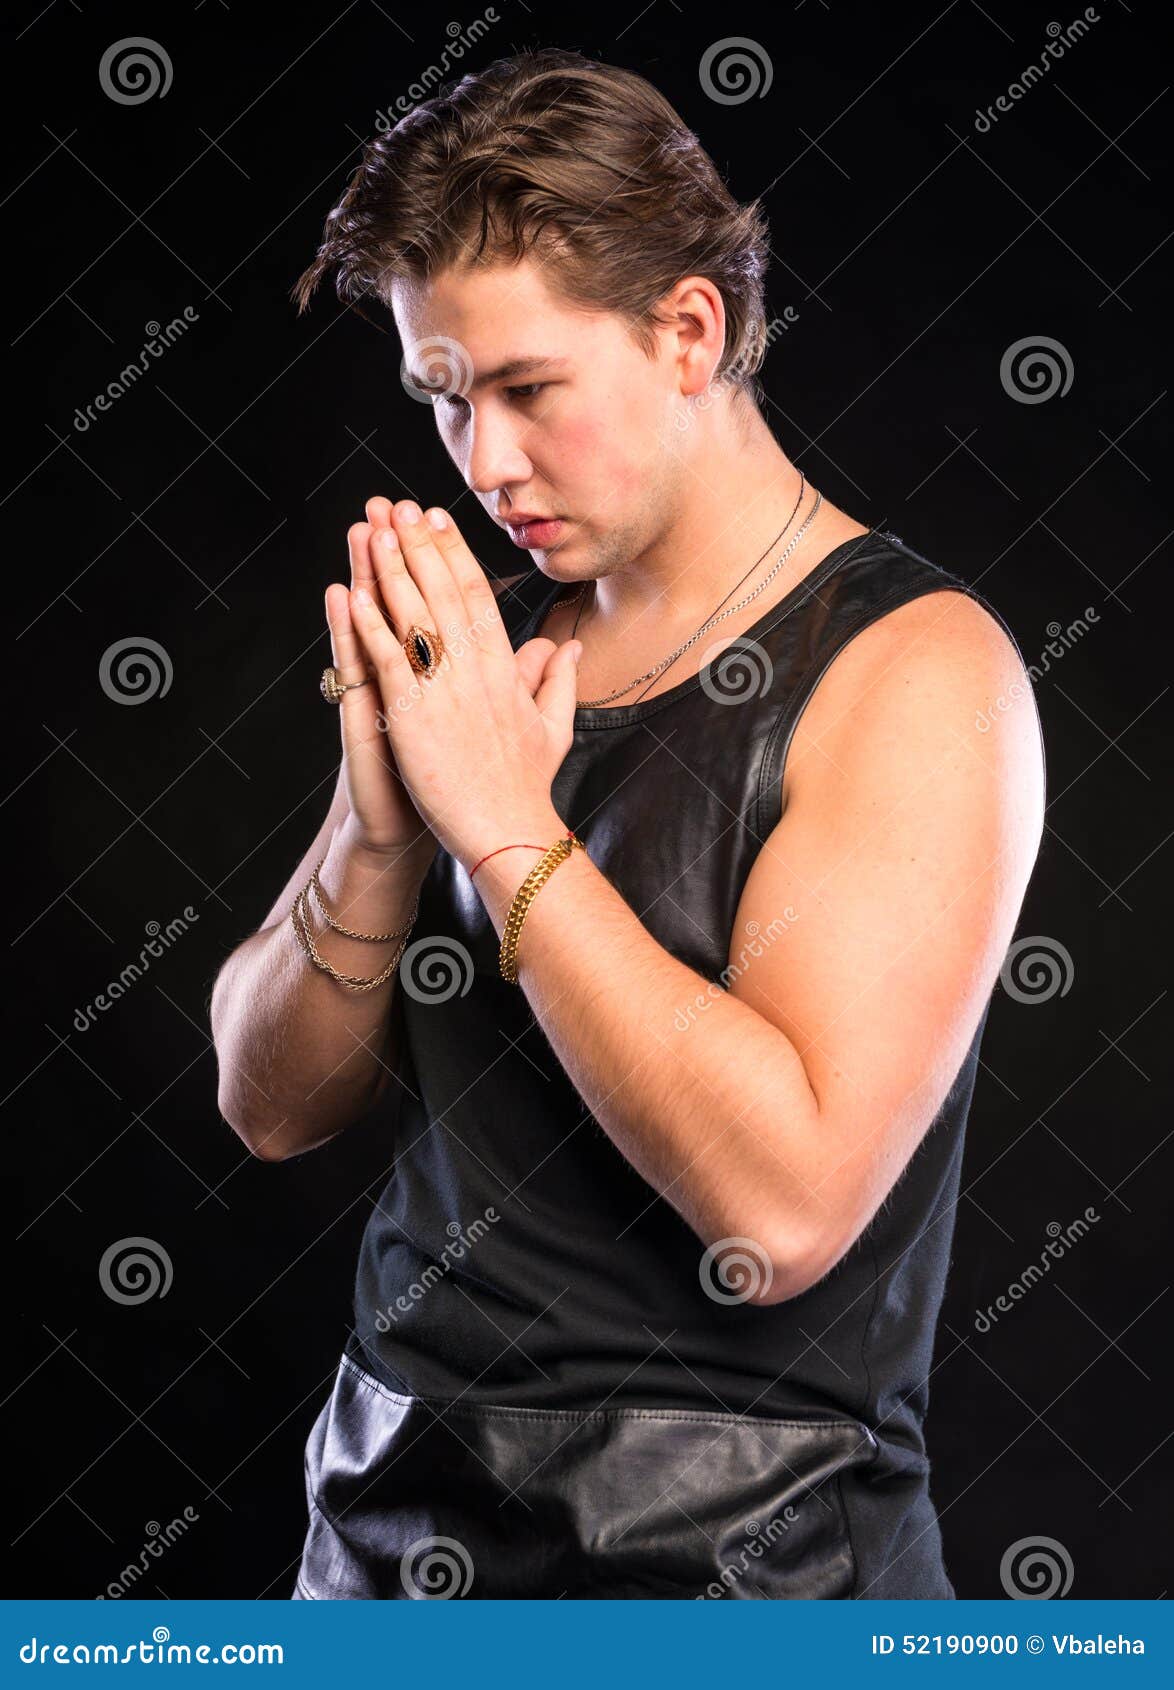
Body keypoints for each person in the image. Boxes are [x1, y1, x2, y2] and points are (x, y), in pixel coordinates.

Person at [211, 47, 1045, 1600]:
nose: (485, 464)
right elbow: (267, 1104)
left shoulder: (917, 670)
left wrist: (506, 834)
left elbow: (782, 1201)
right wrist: (384, 834)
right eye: (444, 398)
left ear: (688, 330)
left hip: (754, 1569)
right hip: (386, 1540)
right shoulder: (485, 662)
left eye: (528, 389)